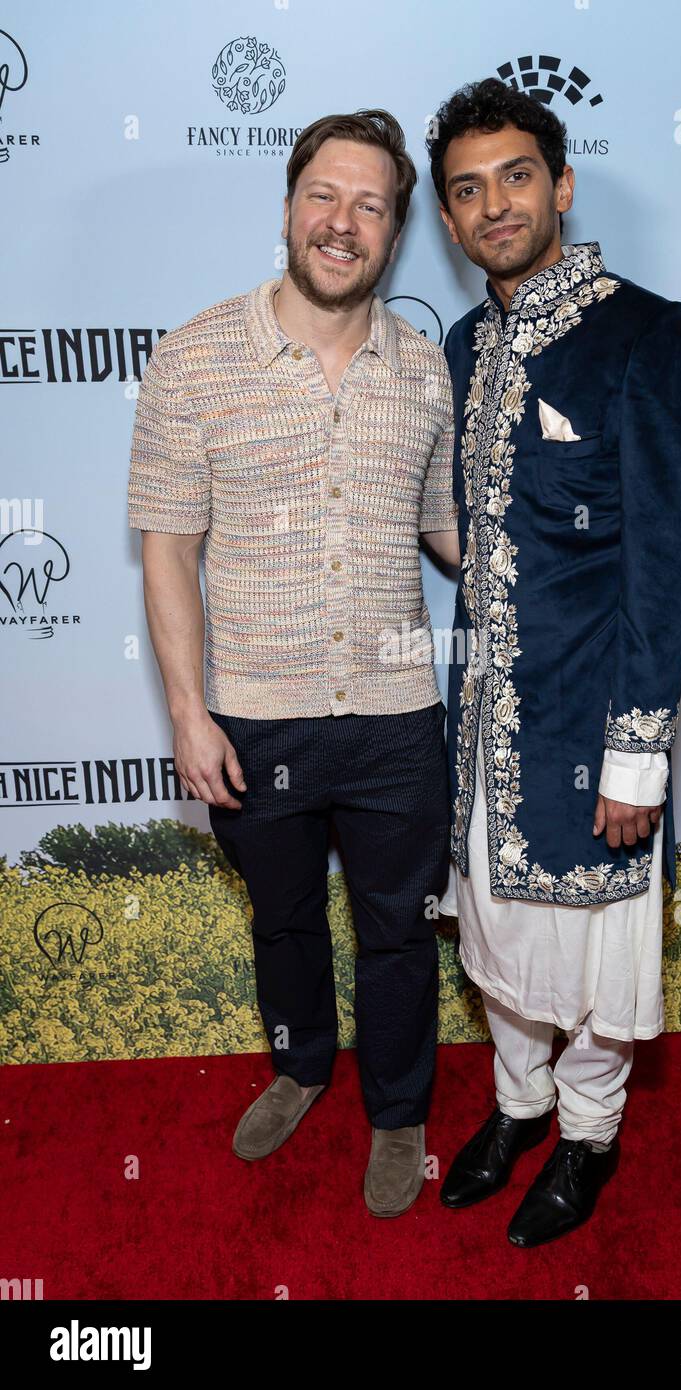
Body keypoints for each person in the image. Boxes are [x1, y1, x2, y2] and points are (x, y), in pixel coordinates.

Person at [127, 110, 460, 1219]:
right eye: (325, 194)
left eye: (371, 205)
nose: (343, 221)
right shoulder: (193, 356)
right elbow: (168, 546)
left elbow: (447, 532)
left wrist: (571, 555)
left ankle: (399, 1112)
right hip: (255, 720)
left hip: (397, 717)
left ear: (394, 233)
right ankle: (302, 1062)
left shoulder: (425, 372)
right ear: (286, 206)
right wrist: (187, 709)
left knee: (398, 931)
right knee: (281, 921)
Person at [427, 78, 681, 1248]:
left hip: (594, 729)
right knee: (499, 943)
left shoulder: (648, 335)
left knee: (591, 956)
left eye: (513, 176)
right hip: (487, 723)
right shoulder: (460, 345)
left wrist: (635, 761)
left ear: (558, 182)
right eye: (465, 189)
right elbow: (475, 531)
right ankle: (515, 1107)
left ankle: (588, 1136)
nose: (493, 204)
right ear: (445, 221)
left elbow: (662, 561)